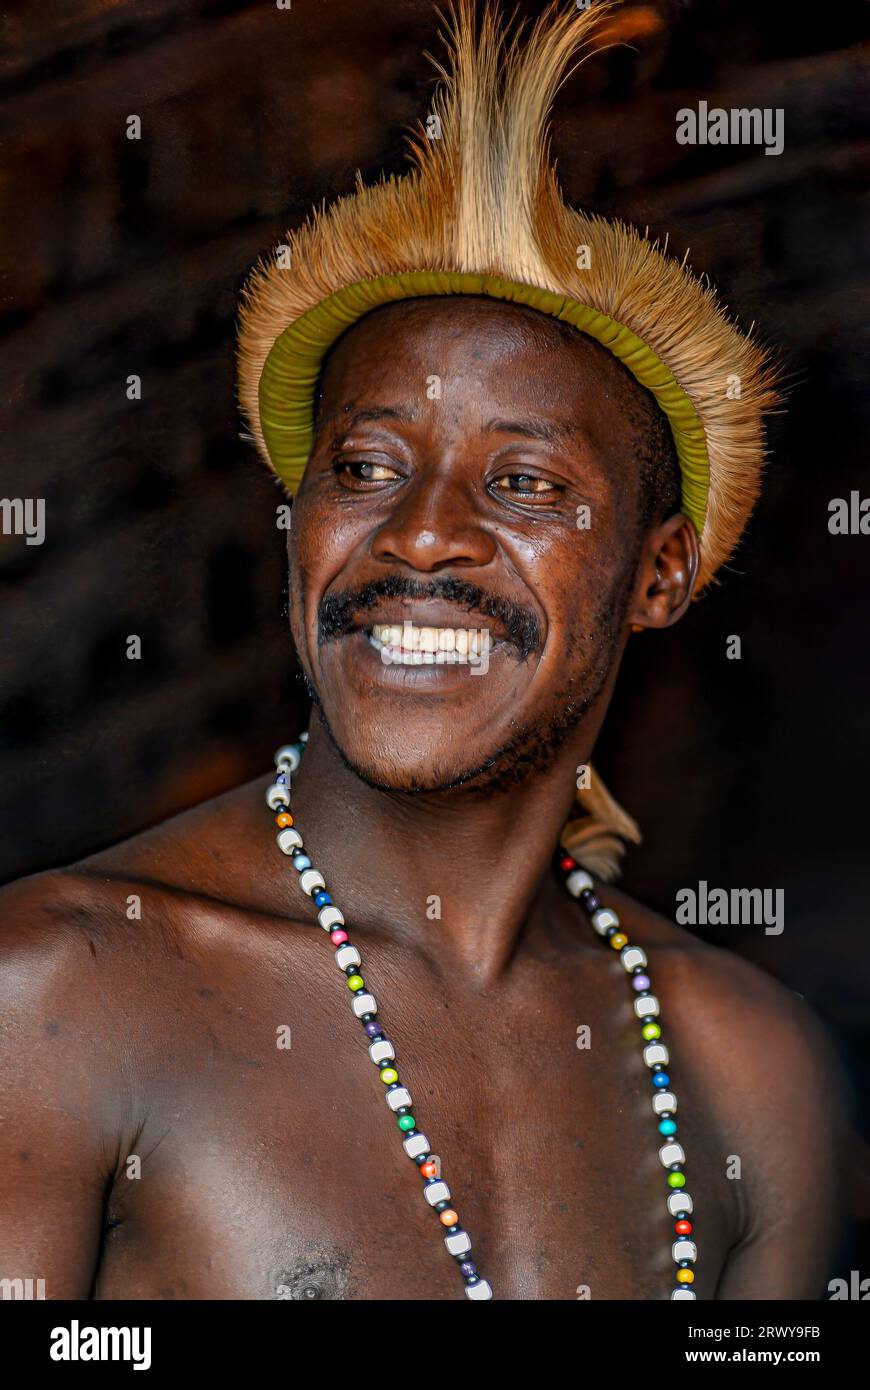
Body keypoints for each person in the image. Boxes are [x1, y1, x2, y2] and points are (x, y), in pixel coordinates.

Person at [0, 0, 847, 1300]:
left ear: (660, 574)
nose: (422, 534)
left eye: (519, 481)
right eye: (364, 466)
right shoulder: (58, 992)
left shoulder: (745, 1075)